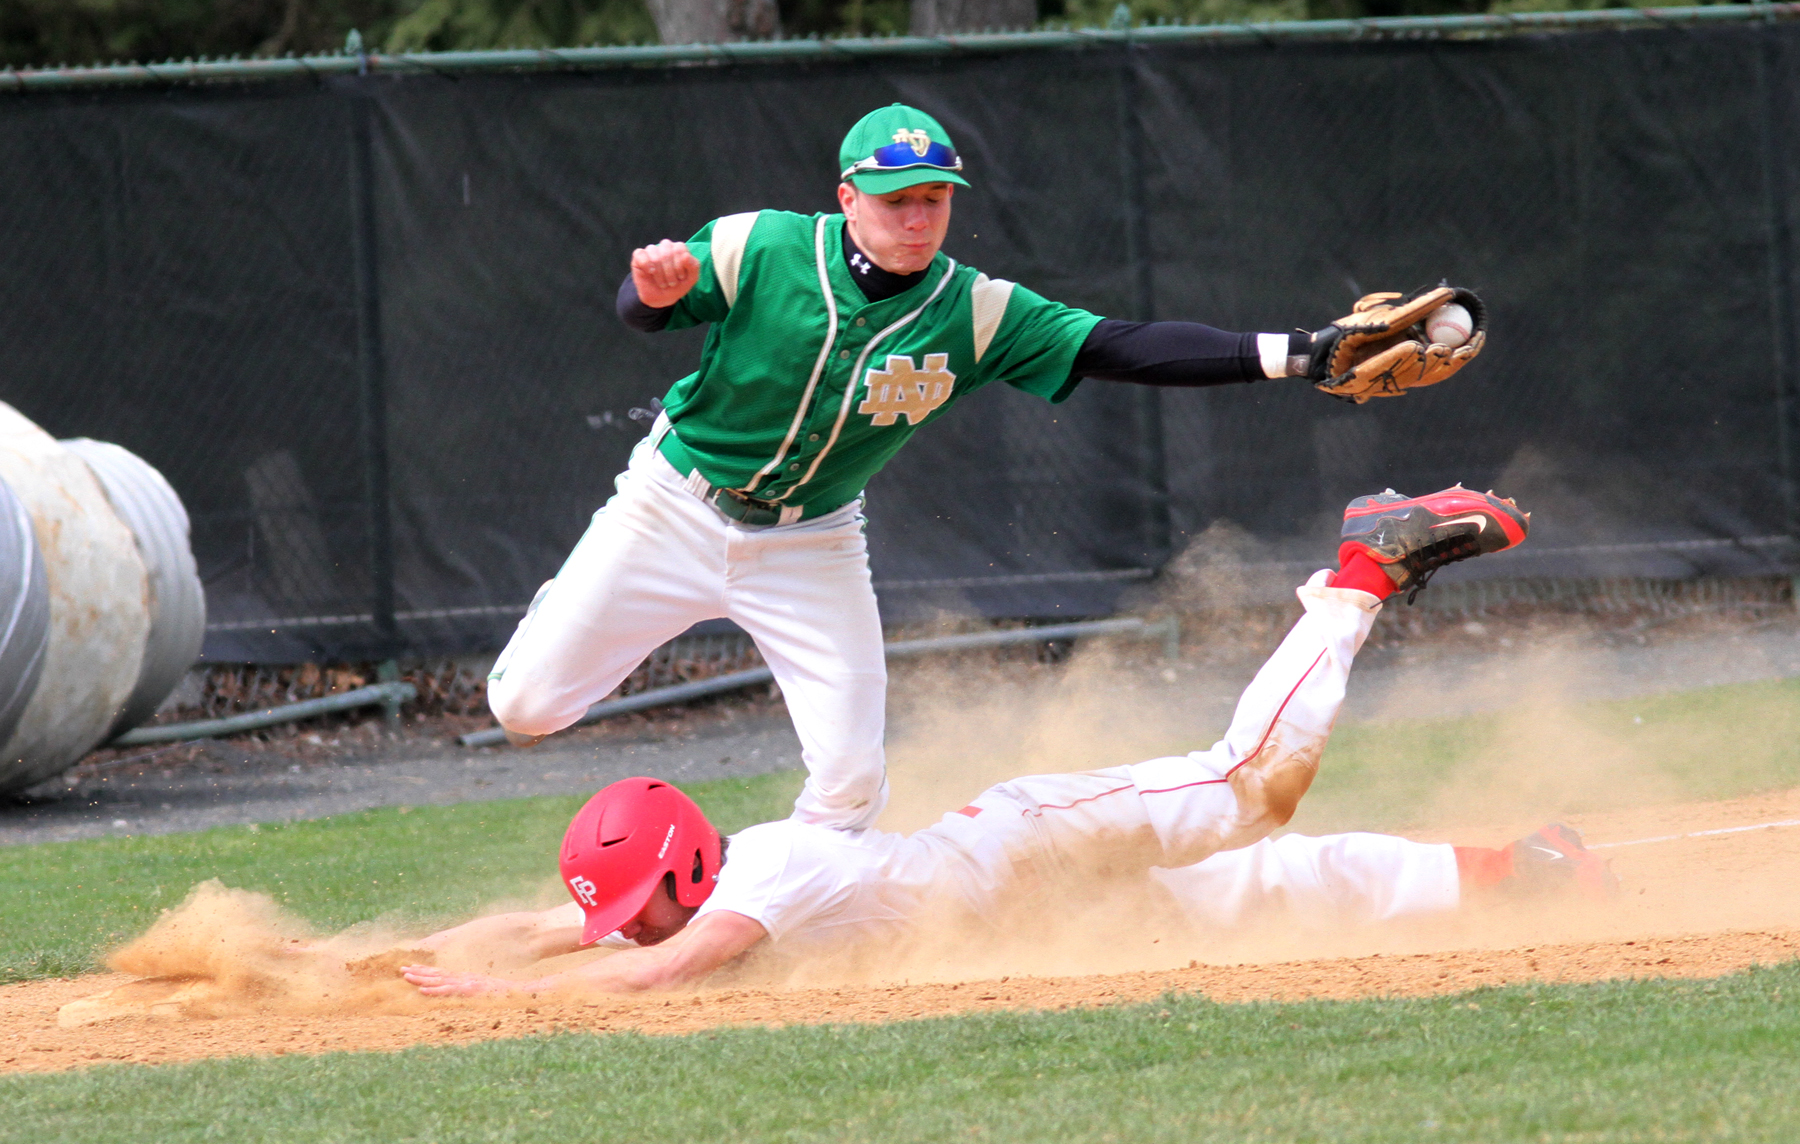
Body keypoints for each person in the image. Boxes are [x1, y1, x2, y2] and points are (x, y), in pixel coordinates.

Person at [483, 102, 1480, 833]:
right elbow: (643, 308)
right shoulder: (763, 246)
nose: (917, 217)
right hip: (674, 508)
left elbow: (1121, 345)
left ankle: (779, 916)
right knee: (523, 708)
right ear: (848, 197)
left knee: (848, 786)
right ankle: (565, 603)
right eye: (895, 199)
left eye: (933, 200)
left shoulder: (976, 311)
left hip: (813, 543)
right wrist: (652, 293)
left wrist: (1299, 352)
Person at [407, 485, 1602, 999]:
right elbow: (545, 925)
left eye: (635, 908)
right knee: (1262, 888)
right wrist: (402, 966)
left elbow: (660, 967)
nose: (626, 927)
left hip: (1034, 850)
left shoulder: (760, 884)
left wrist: (506, 1002)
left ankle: (1359, 569)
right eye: (620, 917)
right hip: (1037, 898)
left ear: (680, 874)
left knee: (1249, 793)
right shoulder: (708, 880)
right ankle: (1523, 867)